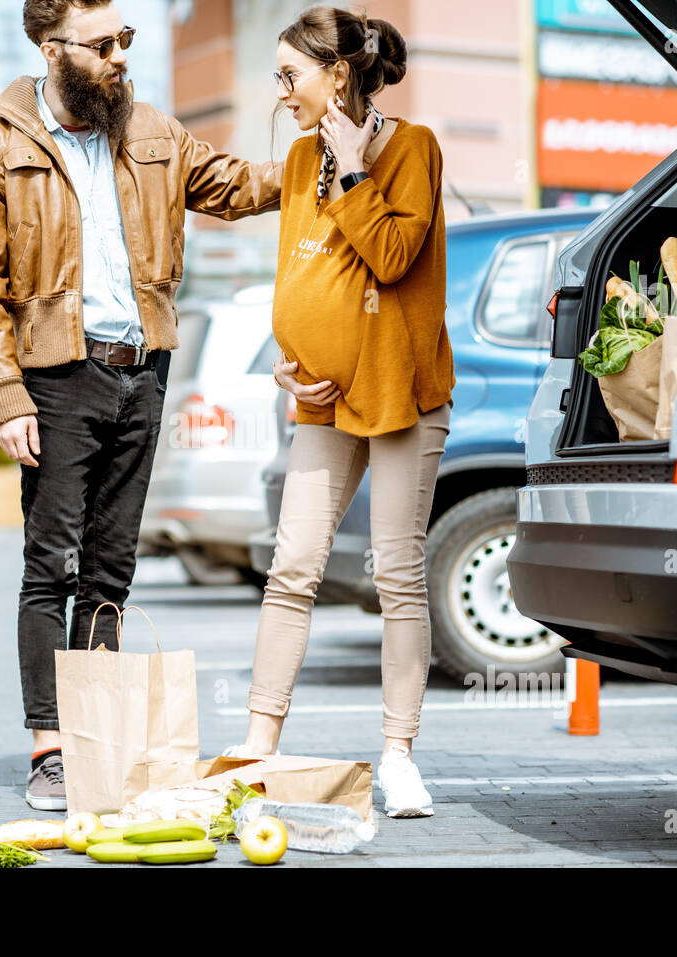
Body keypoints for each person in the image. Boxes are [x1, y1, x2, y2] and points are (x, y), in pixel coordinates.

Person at [0, 0, 282, 810]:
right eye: (101, 44)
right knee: (52, 565)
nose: (118, 56)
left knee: (112, 568)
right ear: (51, 47)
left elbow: (239, 185)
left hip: (144, 371)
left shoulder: (153, 132)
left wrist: (328, 153)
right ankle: (49, 747)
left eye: (125, 40)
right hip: (57, 377)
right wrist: (5, 394)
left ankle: (94, 736)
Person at [225, 6, 454, 819]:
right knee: (291, 568)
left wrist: (355, 170)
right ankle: (256, 748)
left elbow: (391, 256)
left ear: (338, 74)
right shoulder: (297, 161)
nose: (281, 90)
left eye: (291, 75)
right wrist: (288, 363)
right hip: (319, 401)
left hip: (400, 392)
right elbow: (299, 275)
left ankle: (398, 756)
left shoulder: (413, 148)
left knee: (397, 574)